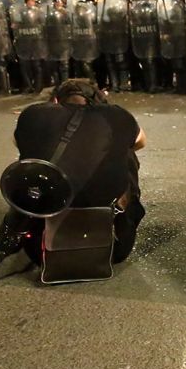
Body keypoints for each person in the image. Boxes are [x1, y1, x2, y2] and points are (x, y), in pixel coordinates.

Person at [13, 78, 147, 263]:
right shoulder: (116, 114)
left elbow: (20, 144)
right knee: (127, 154)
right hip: (114, 248)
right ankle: (122, 219)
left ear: (56, 100)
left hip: (39, 251)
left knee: (31, 162)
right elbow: (140, 142)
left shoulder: (34, 113)